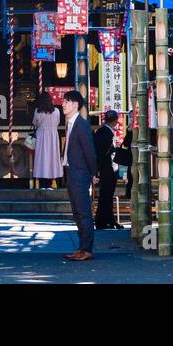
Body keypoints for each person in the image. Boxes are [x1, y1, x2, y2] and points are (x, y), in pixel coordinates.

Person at [60, 89, 98, 261]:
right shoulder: (70, 123)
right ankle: (81, 247)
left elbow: (89, 151)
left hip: (80, 173)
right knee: (77, 212)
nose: (63, 104)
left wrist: (94, 173)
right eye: (63, 101)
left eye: (66, 101)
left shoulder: (81, 125)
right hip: (71, 172)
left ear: (75, 104)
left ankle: (87, 249)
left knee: (83, 212)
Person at [93, 110, 122, 229]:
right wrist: (97, 171)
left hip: (108, 168)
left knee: (107, 195)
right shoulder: (105, 133)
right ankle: (103, 220)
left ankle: (107, 220)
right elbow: (101, 153)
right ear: (115, 121)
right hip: (107, 169)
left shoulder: (102, 131)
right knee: (106, 195)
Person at [31, 91, 62, 189]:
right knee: (51, 159)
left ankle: (42, 184)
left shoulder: (37, 111)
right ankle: (50, 183)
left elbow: (35, 123)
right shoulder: (56, 111)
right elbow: (58, 122)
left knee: (41, 159)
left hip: (41, 135)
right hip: (53, 135)